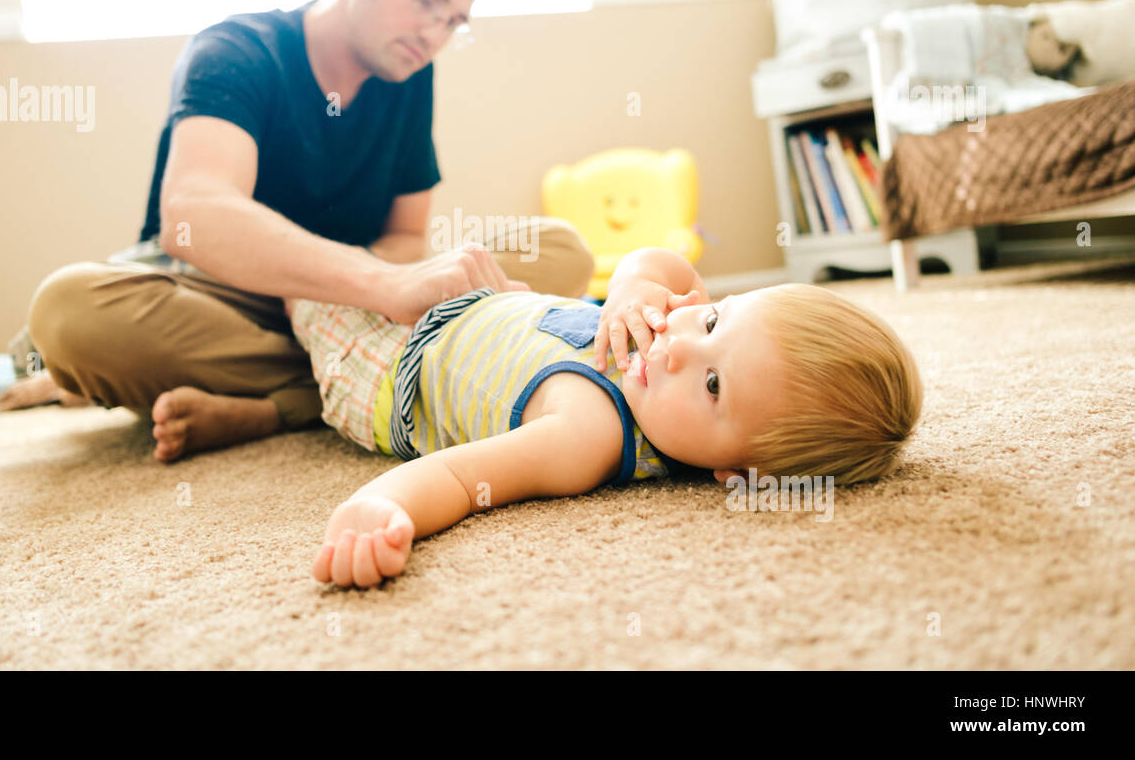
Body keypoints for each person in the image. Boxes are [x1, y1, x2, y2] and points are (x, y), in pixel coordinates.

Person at [16, 0, 595, 461]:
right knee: (66, 312)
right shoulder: (236, 50)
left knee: (561, 249)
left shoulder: (409, 72)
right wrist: (379, 284)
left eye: (453, 22)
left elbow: (405, 236)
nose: (433, 34)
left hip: (349, 304)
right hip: (222, 299)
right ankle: (342, 385)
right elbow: (194, 214)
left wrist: (372, 285)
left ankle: (286, 401)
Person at [285, 246, 923, 588]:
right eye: (712, 320)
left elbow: (457, 479)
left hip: (391, 369)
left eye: (711, 384)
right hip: (465, 306)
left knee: (303, 283)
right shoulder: (664, 329)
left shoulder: (588, 435)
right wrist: (633, 284)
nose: (676, 345)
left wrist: (381, 506)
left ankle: (271, 393)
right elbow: (665, 265)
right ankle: (267, 402)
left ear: (738, 474)